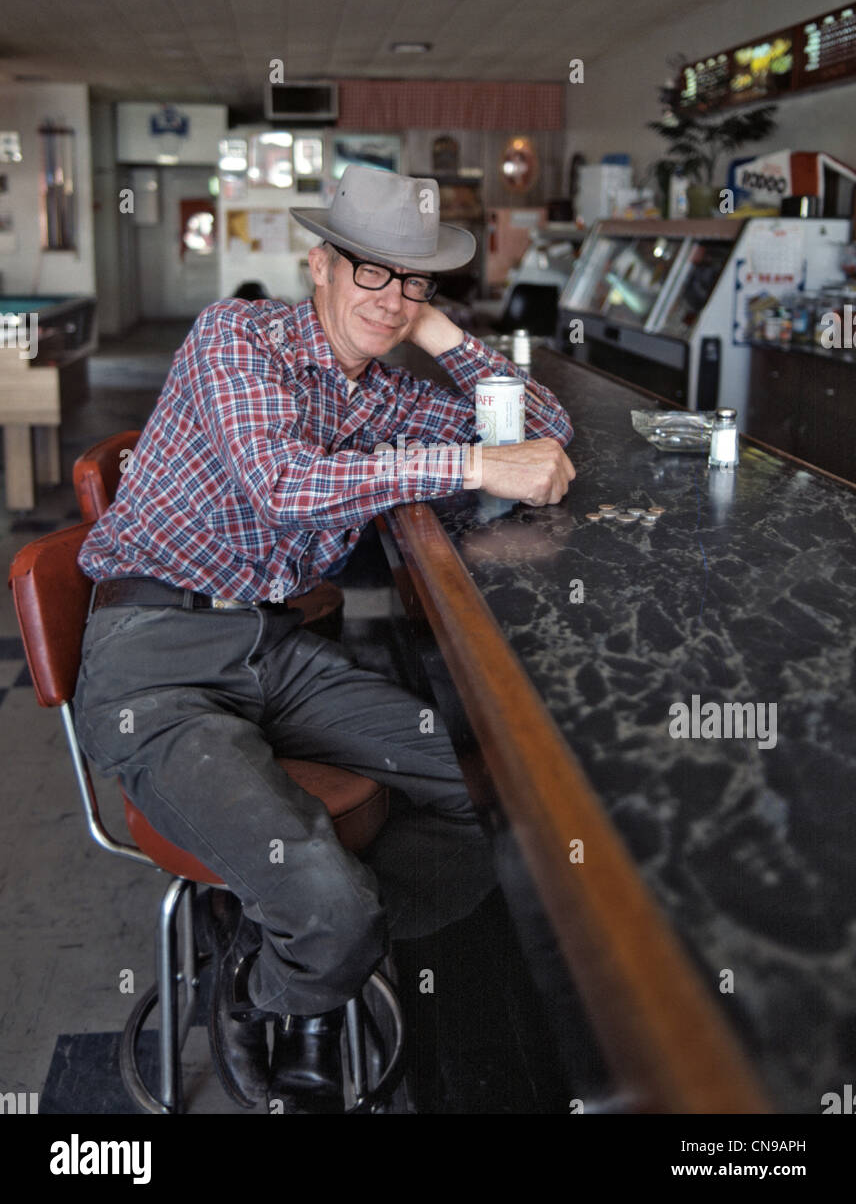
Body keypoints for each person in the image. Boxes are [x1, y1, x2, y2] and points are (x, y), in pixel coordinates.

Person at [73, 164, 575, 1113]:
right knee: (329, 902)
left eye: (413, 278)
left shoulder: (382, 391)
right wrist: (470, 459)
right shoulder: (236, 337)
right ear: (319, 265)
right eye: (372, 274)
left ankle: (298, 944)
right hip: (153, 657)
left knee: (491, 804)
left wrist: (439, 330)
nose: (390, 299)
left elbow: (543, 427)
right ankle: (267, 991)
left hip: (271, 652)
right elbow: (283, 482)